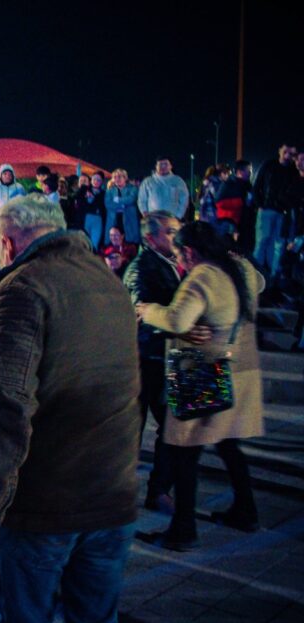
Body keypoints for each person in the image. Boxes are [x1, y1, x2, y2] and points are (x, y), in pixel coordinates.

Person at [0, 194, 141, 623]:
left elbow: (6, 406)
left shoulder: (23, 287)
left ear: (5, 240)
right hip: (112, 495)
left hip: (44, 505)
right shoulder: (107, 281)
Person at [136, 221, 264, 550]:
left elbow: (178, 320)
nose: (179, 262)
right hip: (238, 366)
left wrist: (148, 311)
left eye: (180, 255)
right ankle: (245, 510)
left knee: (184, 451)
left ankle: (183, 530)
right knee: (226, 443)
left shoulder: (204, 275)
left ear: (190, 251)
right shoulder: (240, 267)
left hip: (201, 368)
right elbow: (260, 282)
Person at [123, 212, 191, 512]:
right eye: (170, 232)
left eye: (178, 231)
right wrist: (178, 321)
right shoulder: (141, 268)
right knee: (132, 429)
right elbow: (140, 307)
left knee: (175, 429)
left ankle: (160, 489)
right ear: (151, 238)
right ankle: (123, 491)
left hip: (173, 358)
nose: (176, 238)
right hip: (148, 359)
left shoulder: (183, 266)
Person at [252, 143, 299, 282]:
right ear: (279, 151)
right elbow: (257, 185)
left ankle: (272, 278)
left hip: (282, 212)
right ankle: (256, 276)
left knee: (278, 244)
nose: (287, 156)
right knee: (262, 242)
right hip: (266, 210)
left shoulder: (292, 170)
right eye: (285, 152)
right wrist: (260, 204)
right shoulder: (269, 165)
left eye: (290, 154)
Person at [106, 168, 140, 245]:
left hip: (129, 218)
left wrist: (118, 200)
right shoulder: (110, 191)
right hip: (115, 219)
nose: (117, 179)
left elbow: (131, 199)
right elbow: (108, 204)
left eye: (120, 176)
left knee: (130, 241)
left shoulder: (133, 189)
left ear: (125, 178)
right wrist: (122, 205)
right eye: (115, 177)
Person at [76, 171, 108, 251]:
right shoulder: (84, 190)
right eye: (94, 179)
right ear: (91, 180)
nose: (96, 181)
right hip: (85, 218)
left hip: (97, 219)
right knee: (84, 242)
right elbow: (78, 201)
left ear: (102, 182)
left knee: (94, 243)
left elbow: (103, 207)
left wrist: (93, 198)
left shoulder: (104, 194)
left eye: (99, 180)